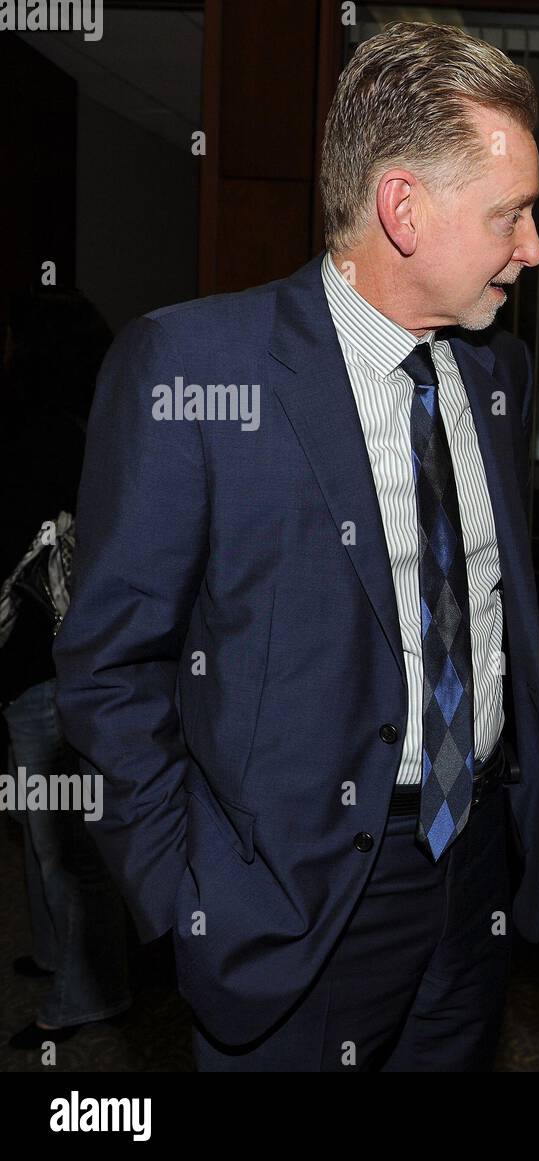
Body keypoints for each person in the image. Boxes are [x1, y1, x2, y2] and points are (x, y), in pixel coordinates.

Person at [53, 21, 539, 1072]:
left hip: (475, 871)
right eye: (512, 214)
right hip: (292, 899)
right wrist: (189, 894)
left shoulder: (498, 371)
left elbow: (486, 597)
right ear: (403, 208)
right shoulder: (194, 367)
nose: (534, 248)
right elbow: (108, 670)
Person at [0, 287, 131, 1050]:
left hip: (52, 668)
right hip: (47, 666)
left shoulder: (47, 436)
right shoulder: (84, 426)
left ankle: (92, 990)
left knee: (65, 842)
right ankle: (58, 956)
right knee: (41, 827)